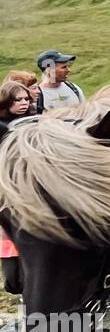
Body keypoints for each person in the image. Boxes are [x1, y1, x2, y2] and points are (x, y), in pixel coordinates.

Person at [0, 80, 35, 293]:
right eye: (17, 99)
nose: (24, 103)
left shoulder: (33, 121)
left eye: (26, 99)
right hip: (8, 193)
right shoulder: (2, 128)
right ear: (6, 101)